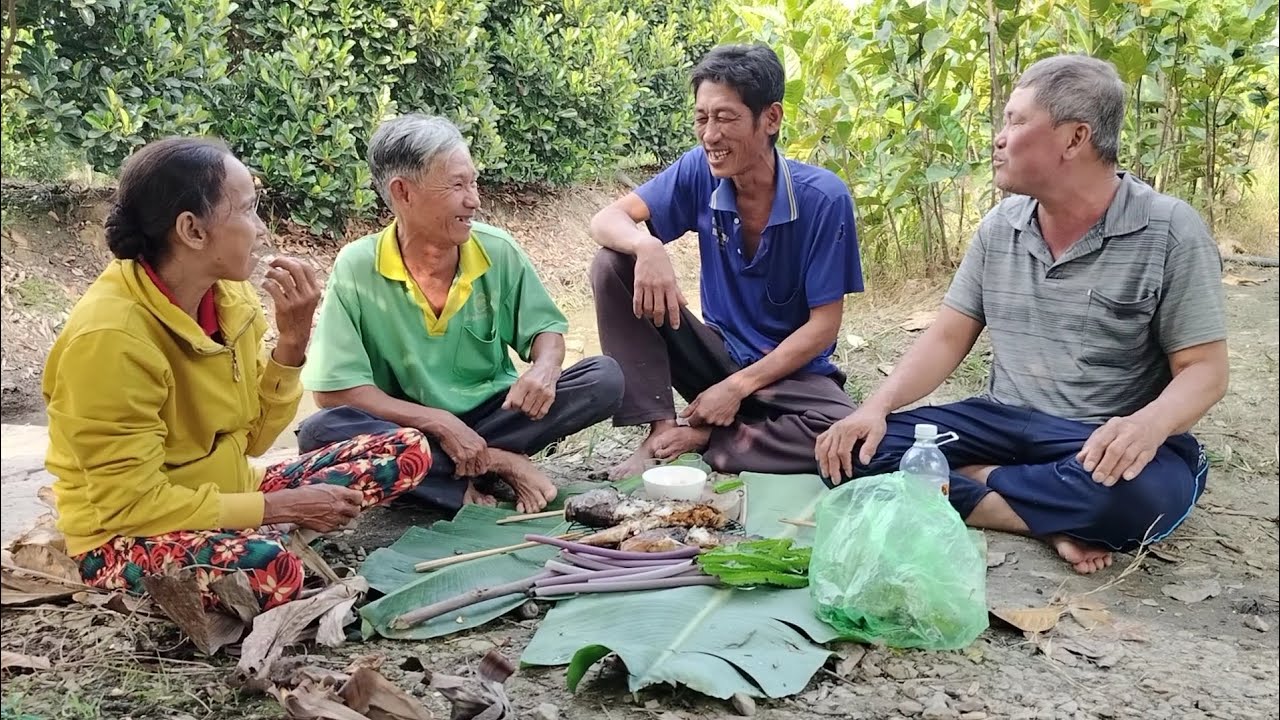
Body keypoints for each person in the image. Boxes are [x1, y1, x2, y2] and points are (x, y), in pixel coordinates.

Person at [815, 55, 1229, 575]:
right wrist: (875, 406)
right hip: (1001, 419)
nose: (999, 137)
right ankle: (1047, 517)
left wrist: (1147, 426)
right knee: (851, 452)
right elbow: (947, 337)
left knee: (1135, 503)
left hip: (1097, 436)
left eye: (1015, 120)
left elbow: (1205, 371)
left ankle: (977, 480)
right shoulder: (1000, 225)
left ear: (1075, 139)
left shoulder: (1169, 229)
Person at [42, 138, 432, 611]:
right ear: (192, 230)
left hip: (230, 495)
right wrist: (281, 508)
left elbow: (251, 442)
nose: (262, 228)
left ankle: (256, 533)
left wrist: (291, 344)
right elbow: (132, 504)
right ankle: (266, 539)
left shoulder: (232, 300)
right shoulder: (109, 339)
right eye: (248, 210)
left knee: (406, 449)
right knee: (272, 570)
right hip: (123, 534)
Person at [297, 114, 624, 514]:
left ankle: (446, 475)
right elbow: (334, 390)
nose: (474, 199)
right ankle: (499, 463)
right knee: (320, 432)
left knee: (604, 377)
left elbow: (546, 332)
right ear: (403, 193)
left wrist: (545, 369)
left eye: (473, 182)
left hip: (497, 416)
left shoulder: (496, 250)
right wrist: (438, 422)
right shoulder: (357, 266)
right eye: (457, 185)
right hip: (412, 427)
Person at [589, 44, 864, 480]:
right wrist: (648, 248)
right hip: (715, 355)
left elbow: (823, 327)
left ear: (770, 118)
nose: (710, 135)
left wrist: (737, 388)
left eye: (726, 118)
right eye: (702, 118)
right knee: (612, 264)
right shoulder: (699, 170)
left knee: (842, 436)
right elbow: (607, 219)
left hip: (789, 374)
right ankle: (661, 431)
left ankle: (704, 437)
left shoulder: (824, 198)